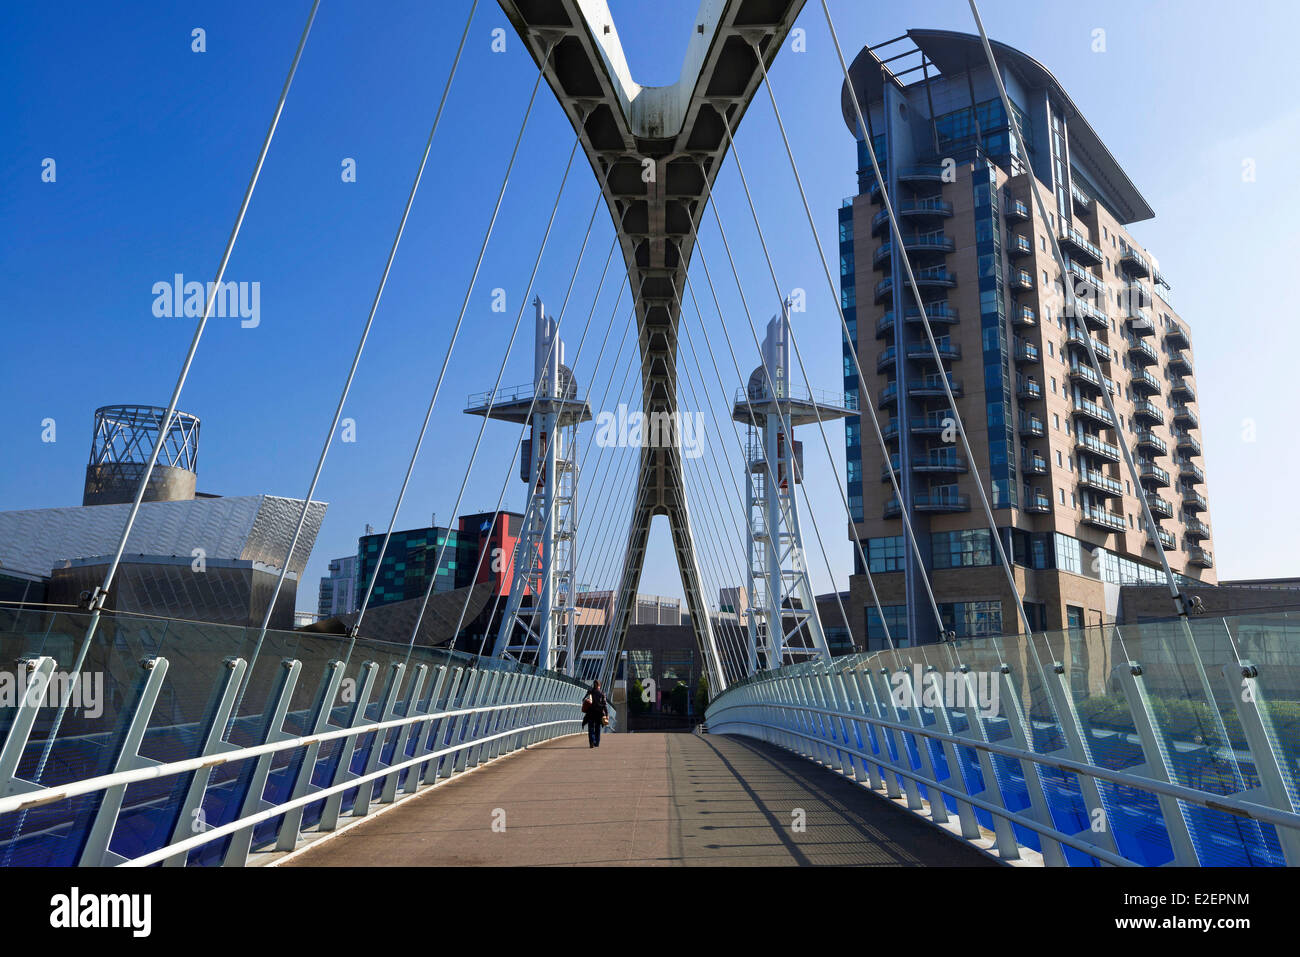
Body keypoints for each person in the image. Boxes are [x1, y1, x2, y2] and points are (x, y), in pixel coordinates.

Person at [582, 679, 608, 748]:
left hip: (590, 712)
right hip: (599, 713)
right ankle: (596, 742)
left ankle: (592, 742)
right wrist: (607, 714)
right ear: (599, 685)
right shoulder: (602, 694)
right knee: (597, 728)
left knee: (590, 728)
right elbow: (604, 705)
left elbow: (584, 700)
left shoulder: (590, 692)